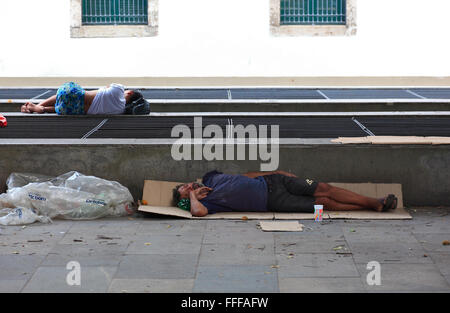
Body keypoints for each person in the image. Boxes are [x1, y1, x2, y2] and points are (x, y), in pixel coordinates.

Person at [172, 170, 398, 217]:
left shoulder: (210, 178)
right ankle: (374, 206)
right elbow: (198, 213)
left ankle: (374, 202)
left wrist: (275, 172)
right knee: (323, 204)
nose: (189, 186)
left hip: (277, 180)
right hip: (276, 201)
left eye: (187, 185)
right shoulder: (209, 203)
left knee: (324, 187)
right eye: (186, 190)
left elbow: (244, 176)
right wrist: (193, 197)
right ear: (186, 198)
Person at [20, 82, 142, 115]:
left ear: (130, 93)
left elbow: (108, 86)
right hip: (70, 111)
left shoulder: (119, 90)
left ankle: (37, 105)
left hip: (73, 95)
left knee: (62, 95)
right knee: (66, 105)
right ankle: (44, 109)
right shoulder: (120, 111)